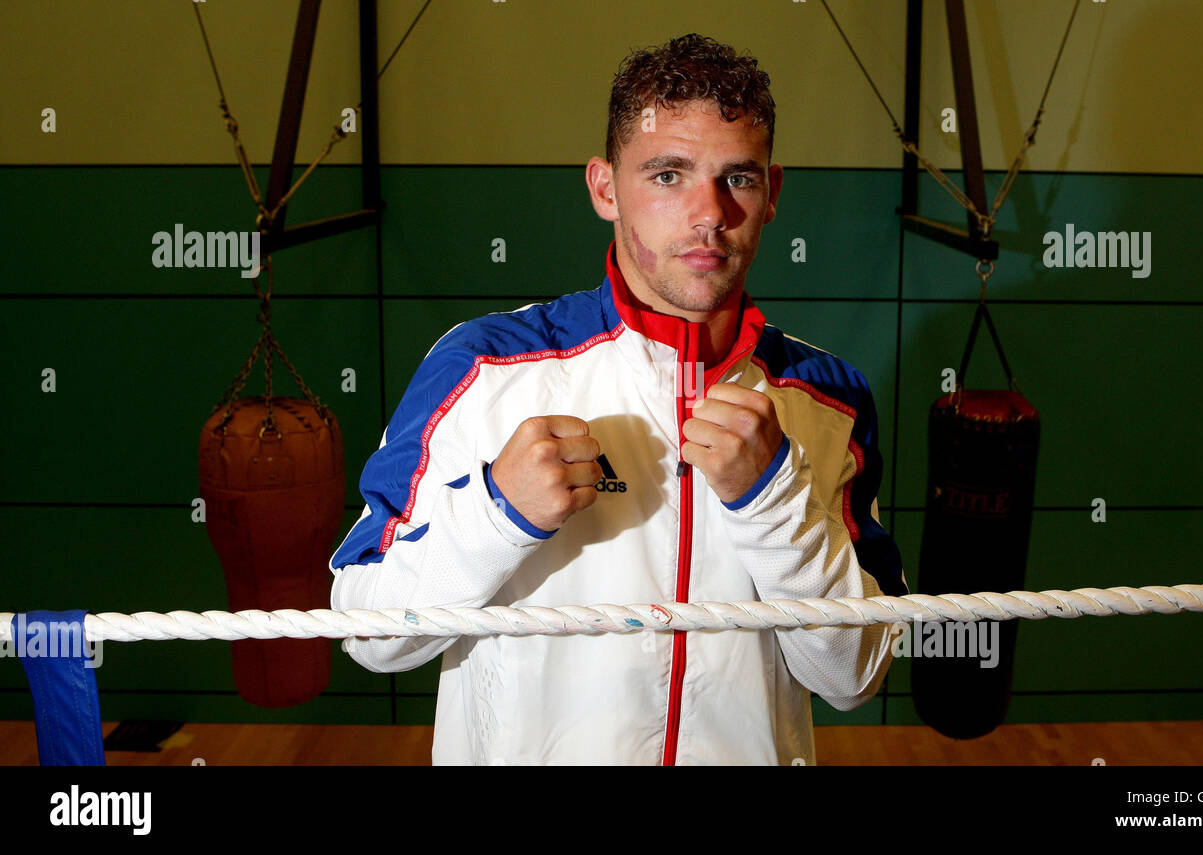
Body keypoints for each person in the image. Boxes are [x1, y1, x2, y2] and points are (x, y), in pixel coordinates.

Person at [328, 32, 909, 765]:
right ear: (605, 188)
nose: (708, 214)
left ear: (773, 195)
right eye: (668, 175)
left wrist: (773, 501)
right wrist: (495, 513)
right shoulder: (484, 365)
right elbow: (367, 631)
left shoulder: (829, 399)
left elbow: (854, 677)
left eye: (739, 179)